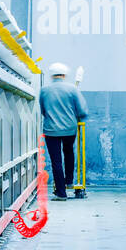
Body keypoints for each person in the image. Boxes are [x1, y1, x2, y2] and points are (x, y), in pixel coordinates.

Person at [38, 62, 87, 201]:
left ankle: (61, 193)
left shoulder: (44, 90)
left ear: (52, 75)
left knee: (56, 161)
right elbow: (82, 110)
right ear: (64, 75)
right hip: (69, 129)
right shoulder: (72, 89)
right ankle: (69, 180)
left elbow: (43, 110)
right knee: (69, 152)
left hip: (51, 130)